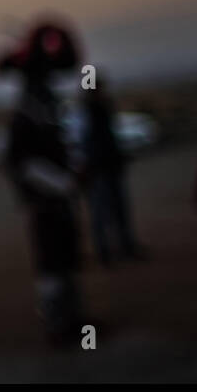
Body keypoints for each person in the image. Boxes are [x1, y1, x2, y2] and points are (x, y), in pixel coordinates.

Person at [0, 19, 85, 345]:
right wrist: (64, 183)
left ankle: (72, 320)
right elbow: (21, 162)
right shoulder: (26, 113)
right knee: (51, 264)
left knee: (66, 259)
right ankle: (57, 327)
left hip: (57, 199)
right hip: (45, 202)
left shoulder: (43, 107)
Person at [78, 76, 142, 265]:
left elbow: (110, 136)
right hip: (98, 169)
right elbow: (84, 142)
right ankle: (104, 252)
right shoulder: (85, 112)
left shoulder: (104, 107)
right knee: (101, 212)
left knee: (119, 209)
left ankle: (124, 246)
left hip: (110, 166)